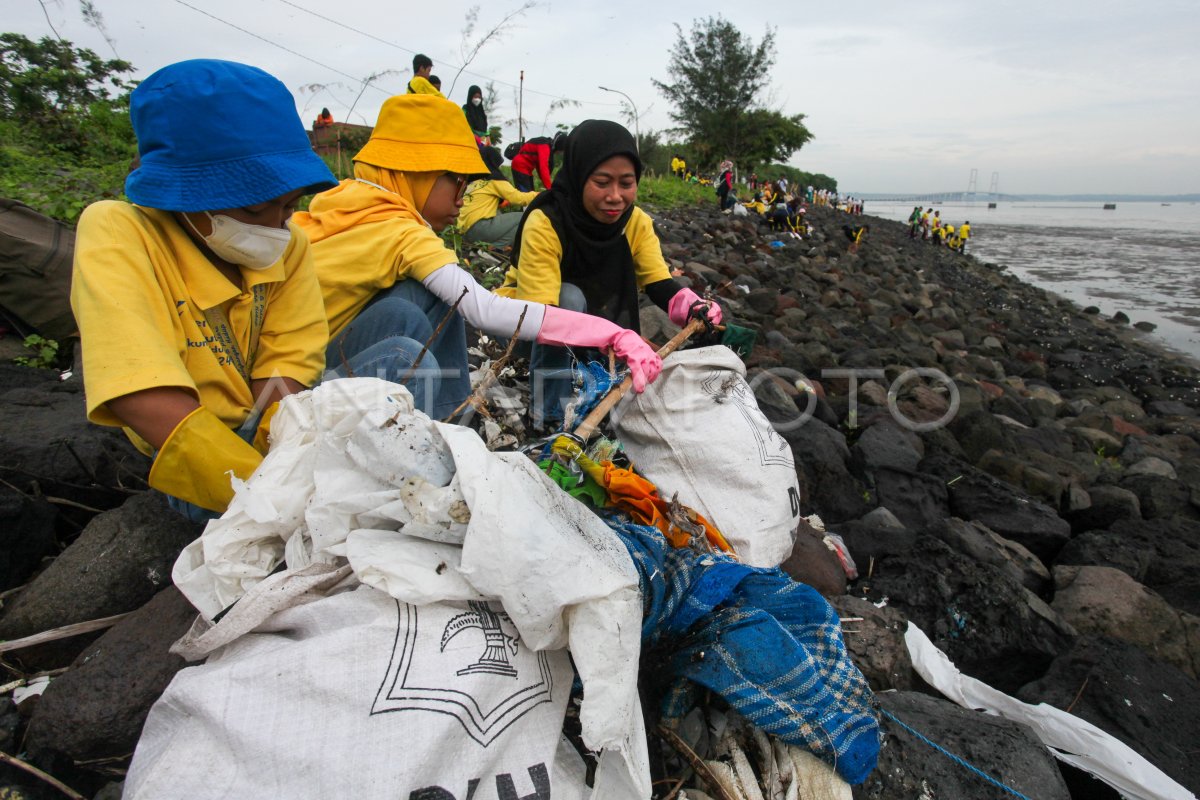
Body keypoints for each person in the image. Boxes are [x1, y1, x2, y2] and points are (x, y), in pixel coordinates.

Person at [71, 59, 340, 521]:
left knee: (395, 352)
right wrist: (262, 493)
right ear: (182, 192)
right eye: (255, 209)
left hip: (268, 425)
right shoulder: (120, 231)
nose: (276, 225)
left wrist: (282, 451)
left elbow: (289, 358)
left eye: (289, 206)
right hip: (193, 445)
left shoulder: (289, 243)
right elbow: (138, 390)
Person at [293, 95, 662, 422]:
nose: (462, 198)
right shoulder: (399, 231)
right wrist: (613, 333)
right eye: (458, 183)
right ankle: (447, 426)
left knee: (417, 301)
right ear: (419, 174)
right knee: (411, 350)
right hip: (300, 393)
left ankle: (452, 413)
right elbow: (483, 309)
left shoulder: (347, 200)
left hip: (309, 363)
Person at [498, 119, 722, 426]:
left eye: (626, 184)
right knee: (568, 298)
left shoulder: (635, 222)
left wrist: (692, 305)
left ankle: (587, 371)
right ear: (578, 176)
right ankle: (546, 417)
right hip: (526, 326)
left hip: (592, 326)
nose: (615, 196)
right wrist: (615, 336)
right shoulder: (547, 220)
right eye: (602, 183)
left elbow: (657, 281)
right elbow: (543, 314)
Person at [457, 145, 539, 246]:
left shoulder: (473, 182)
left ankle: (481, 249)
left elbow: (485, 204)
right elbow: (519, 198)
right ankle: (494, 248)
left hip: (465, 233)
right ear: (493, 162)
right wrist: (540, 194)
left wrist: (505, 202)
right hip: (480, 228)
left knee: (499, 214)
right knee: (526, 217)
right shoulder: (493, 179)